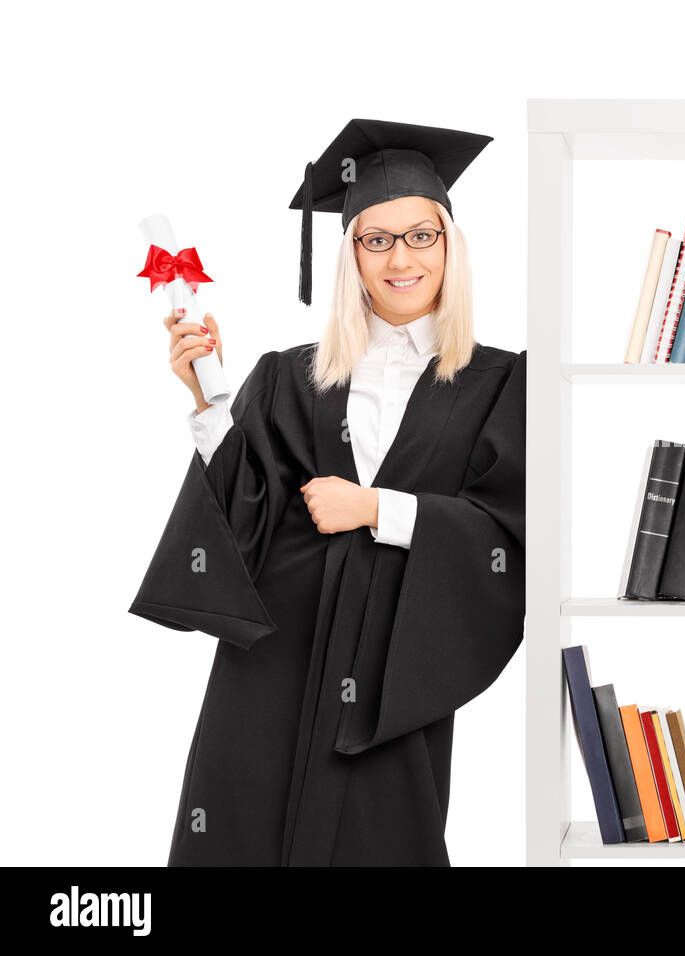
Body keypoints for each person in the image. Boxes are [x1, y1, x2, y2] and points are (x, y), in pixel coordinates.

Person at [129, 119, 526, 866]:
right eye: (376, 240)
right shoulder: (289, 374)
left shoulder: (502, 383)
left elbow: (510, 530)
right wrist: (210, 404)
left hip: (392, 682)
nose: (400, 258)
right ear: (349, 255)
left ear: (450, 246)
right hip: (271, 671)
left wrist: (379, 509)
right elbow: (239, 525)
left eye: (420, 235)